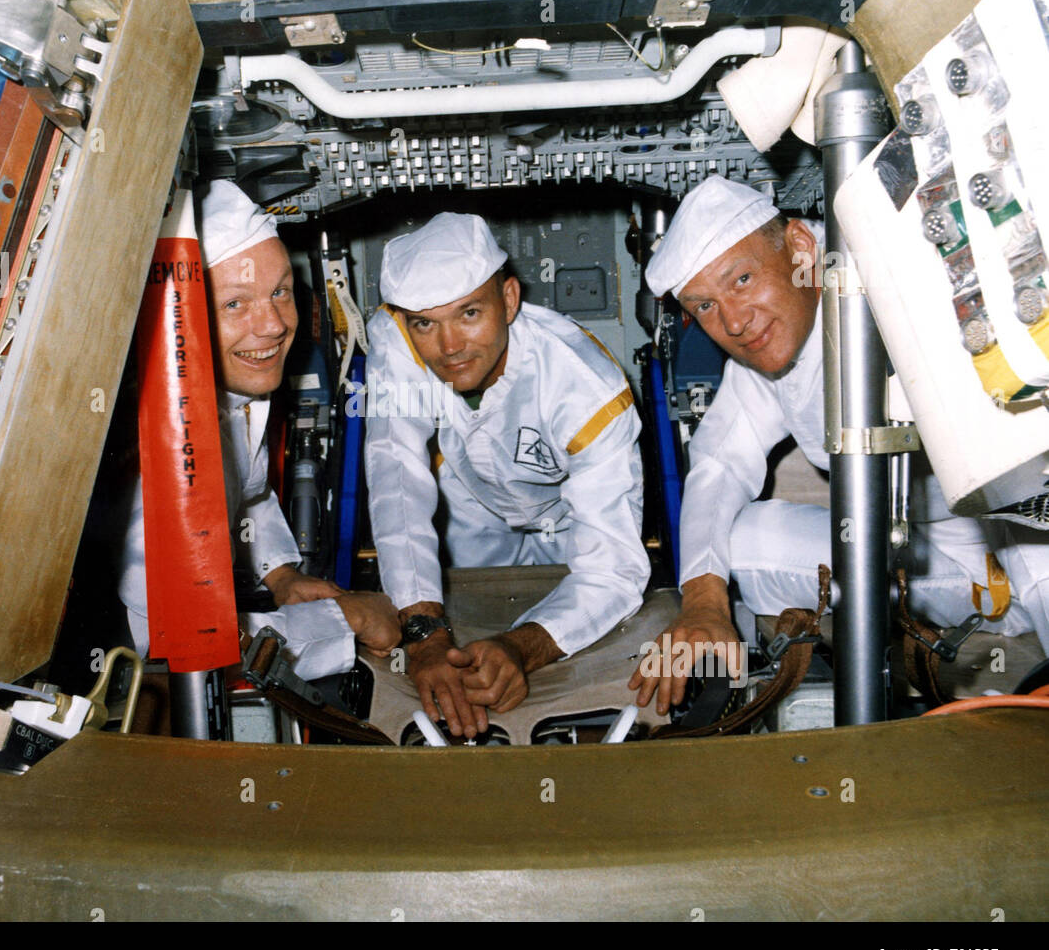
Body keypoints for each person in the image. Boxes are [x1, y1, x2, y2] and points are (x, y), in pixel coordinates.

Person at [628, 174, 1049, 715]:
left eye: (742, 280)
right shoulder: (769, 339)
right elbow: (718, 463)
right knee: (747, 540)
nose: (733, 321)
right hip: (935, 550)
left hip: (1028, 515)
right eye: (705, 306)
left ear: (802, 247)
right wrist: (703, 601)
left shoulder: (893, 271)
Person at [365, 212, 649, 738]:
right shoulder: (397, 335)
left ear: (510, 300)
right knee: (459, 662)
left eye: (469, 313)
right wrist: (424, 636)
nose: (449, 346)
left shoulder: (585, 387)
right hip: (466, 498)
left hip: (566, 514)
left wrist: (524, 646)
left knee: (568, 647)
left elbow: (613, 569)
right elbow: (396, 475)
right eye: (426, 323)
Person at [119, 180, 401, 678]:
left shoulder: (237, 388)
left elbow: (248, 490)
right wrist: (344, 619)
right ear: (175, 319)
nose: (272, 325)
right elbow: (173, 643)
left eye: (280, 293)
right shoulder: (150, 453)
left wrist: (280, 574)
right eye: (235, 304)